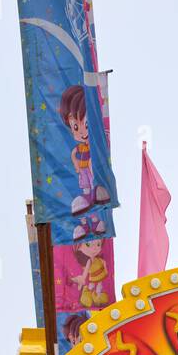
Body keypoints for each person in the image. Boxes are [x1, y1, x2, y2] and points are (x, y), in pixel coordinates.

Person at [61, 85, 110, 215]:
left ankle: (97, 191)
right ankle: (86, 198)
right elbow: (73, 154)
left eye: (86, 124)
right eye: (76, 127)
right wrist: (76, 165)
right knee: (85, 185)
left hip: (91, 168)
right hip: (83, 169)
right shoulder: (79, 147)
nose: (83, 133)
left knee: (92, 180)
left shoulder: (93, 144)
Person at [77, 239, 110, 309]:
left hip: (101, 275)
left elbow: (104, 265)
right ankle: (88, 296)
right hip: (93, 276)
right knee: (91, 286)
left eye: (98, 244)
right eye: (88, 244)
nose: (94, 248)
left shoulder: (99, 259)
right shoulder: (89, 261)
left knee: (99, 285)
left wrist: (106, 272)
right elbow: (85, 271)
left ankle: (98, 296)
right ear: (80, 248)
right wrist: (82, 280)